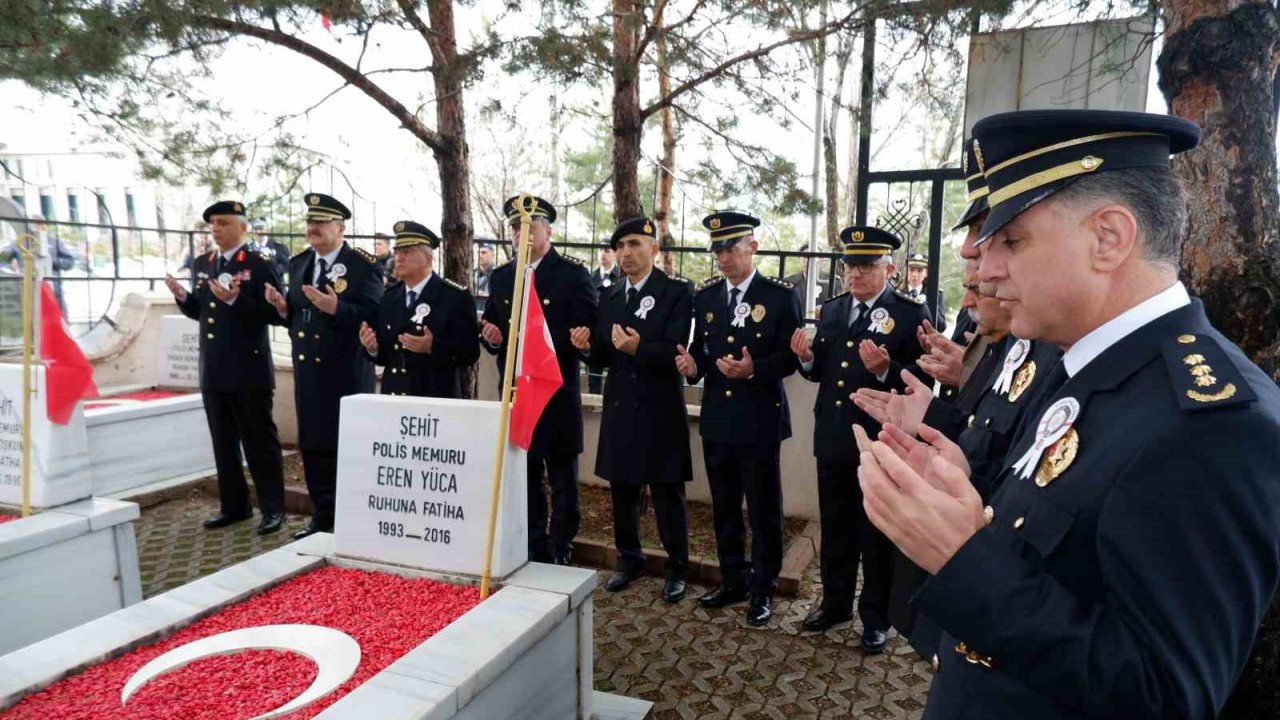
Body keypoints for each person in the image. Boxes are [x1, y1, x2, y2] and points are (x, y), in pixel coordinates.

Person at [855, 109, 1280, 720]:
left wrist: (964, 560)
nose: (984, 266)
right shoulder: (1081, 363)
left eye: (1012, 239)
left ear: (1108, 238)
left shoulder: (1214, 426)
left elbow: (1164, 697)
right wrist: (962, 484)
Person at [788, 226, 928, 649]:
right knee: (836, 525)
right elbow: (822, 373)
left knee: (876, 532)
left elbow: (923, 382)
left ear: (888, 268)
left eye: (865, 266)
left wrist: (887, 370)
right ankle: (834, 603)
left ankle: (876, 617)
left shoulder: (909, 314)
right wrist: (807, 360)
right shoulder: (832, 311)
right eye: (850, 266)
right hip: (833, 435)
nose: (855, 274)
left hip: (880, 439)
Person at [675, 210, 801, 627]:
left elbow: (790, 358)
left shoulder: (779, 296)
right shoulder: (707, 296)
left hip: (759, 420)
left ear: (753, 247)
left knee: (763, 509)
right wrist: (692, 366)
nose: (723, 258)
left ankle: (763, 589)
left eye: (731, 248)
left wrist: (754, 370)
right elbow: (700, 351)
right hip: (718, 419)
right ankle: (734, 579)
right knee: (725, 506)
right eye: (718, 250)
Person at [572, 216, 692, 603]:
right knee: (622, 488)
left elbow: (675, 348)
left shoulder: (676, 292)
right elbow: (605, 355)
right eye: (620, 246)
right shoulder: (609, 295)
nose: (626, 253)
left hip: (659, 407)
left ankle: (677, 567)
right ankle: (629, 559)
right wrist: (587, 346)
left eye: (635, 244)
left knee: (666, 491)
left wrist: (638, 348)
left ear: (654, 249)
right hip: (621, 405)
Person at [480, 195, 598, 565]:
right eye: (515, 227)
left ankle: (560, 544)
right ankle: (532, 543)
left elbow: (585, 330)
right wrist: (493, 337)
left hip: (555, 391)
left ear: (548, 230)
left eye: (530, 225)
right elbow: (496, 329)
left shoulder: (572, 275)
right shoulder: (501, 277)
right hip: (516, 391)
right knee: (524, 473)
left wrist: (539, 343)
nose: (521, 233)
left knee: (562, 476)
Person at [264, 193, 383, 539]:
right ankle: (322, 516)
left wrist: (337, 309)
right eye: (309, 222)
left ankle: (352, 518)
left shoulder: (363, 265)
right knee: (313, 443)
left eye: (321, 222)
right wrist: (283, 309)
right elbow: (299, 318)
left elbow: (374, 316)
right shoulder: (301, 262)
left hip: (344, 372)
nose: (312, 228)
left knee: (347, 446)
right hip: (308, 373)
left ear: (341, 227)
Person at [164, 201, 286, 535]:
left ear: (242, 227)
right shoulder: (205, 263)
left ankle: (274, 509)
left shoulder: (259, 263)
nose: (215, 229)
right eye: (212, 224)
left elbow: (278, 312)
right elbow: (201, 312)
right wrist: (183, 297)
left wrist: (237, 301)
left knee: (259, 443)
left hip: (248, 370)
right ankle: (234, 507)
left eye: (222, 223)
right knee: (223, 442)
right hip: (214, 369)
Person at [359, 221, 479, 398]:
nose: (399, 257)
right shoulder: (390, 297)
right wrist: (372, 348)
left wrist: (432, 347)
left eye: (407, 251)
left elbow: (470, 353)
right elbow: (386, 355)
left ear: (428, 258)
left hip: (433, 401)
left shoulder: (454, 297)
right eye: (397, 251)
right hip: (394, 397)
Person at [903, 252, 946, 334]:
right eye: (911, 270)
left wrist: (929, 304)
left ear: (926, 273)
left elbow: (941, 327)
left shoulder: (935, 294)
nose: (915, 275)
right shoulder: (897, 292)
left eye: (920, 271)